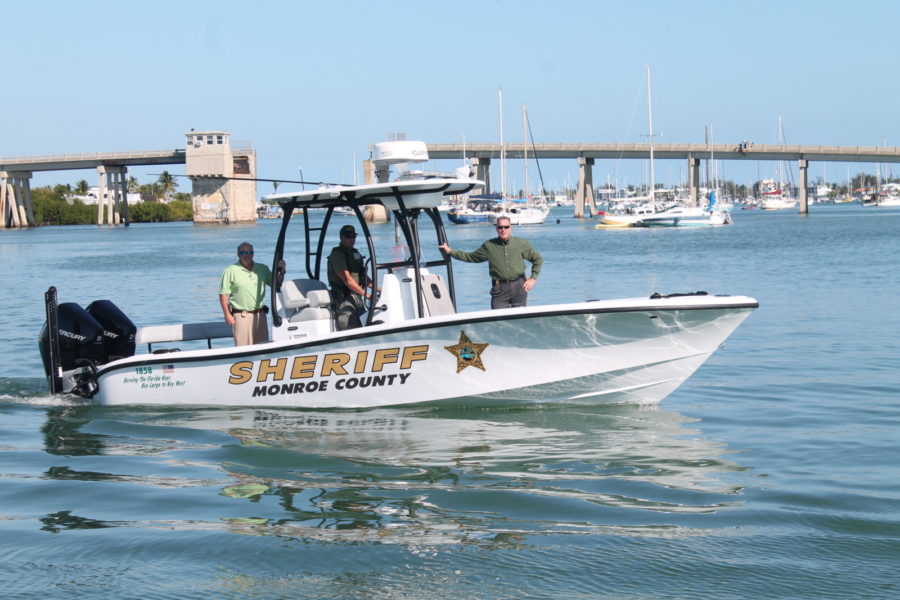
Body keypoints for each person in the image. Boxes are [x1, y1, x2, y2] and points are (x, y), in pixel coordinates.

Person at [439, 216, 543, 309]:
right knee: (498, 321)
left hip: (519, 287)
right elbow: (470, 257)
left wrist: (533, 279)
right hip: (499, 290)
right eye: (500, 227)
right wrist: (450, 251)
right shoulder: (489, 246)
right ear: (496, 228)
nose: (503, 230)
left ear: (510, 228)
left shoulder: (520, 244)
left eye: (506, 227)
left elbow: (538, 259)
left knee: (519, 320)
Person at [219, 242, 285, 346]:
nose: (247, 255)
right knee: (243, 349)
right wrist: (227, 314)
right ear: (238, 254)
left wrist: (281, 270)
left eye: (250, 252)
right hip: (241, 316)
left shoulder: (262, 268)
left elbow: (276, 285)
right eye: (243, 252)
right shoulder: (230, 271)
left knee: (263, 347)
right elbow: (223, 294)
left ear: (253, 253)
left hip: (260, 315)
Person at [327, 224, 376, 330]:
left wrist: (380, 289)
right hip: (344, 298)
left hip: (357, 297)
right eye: (348, 237)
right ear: (341, 238)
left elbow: (364, 277)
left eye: (353, 236)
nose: (351, 239)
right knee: (349, 325)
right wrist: (366, 294)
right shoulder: (337, 254)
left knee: (365, 326)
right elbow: (348, 280)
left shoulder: (355, 253)